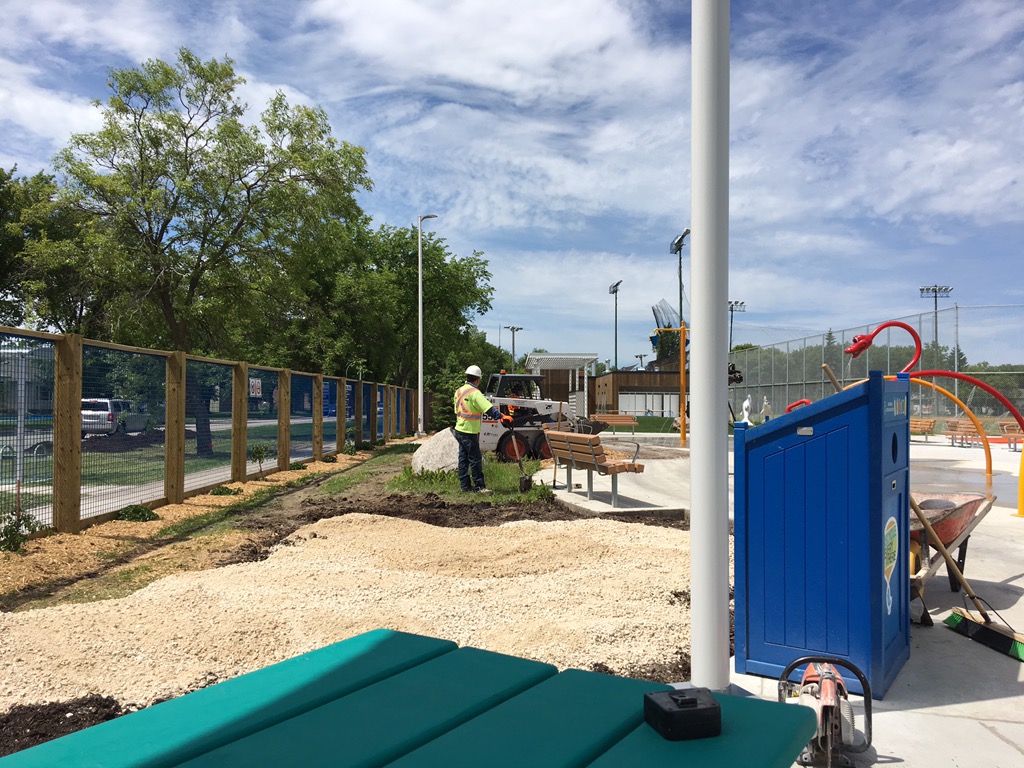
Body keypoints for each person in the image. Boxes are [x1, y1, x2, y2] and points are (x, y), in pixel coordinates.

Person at [454, 365, 512, 493]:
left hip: (459, 429)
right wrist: (502, 416)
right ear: (478, 379)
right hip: (469, 432)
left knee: (463, 459)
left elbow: (456, 410)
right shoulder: (475, 393)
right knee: (475, 459)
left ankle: (465, 487)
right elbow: (488, 408)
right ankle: (480, 487)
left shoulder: (459, 391)